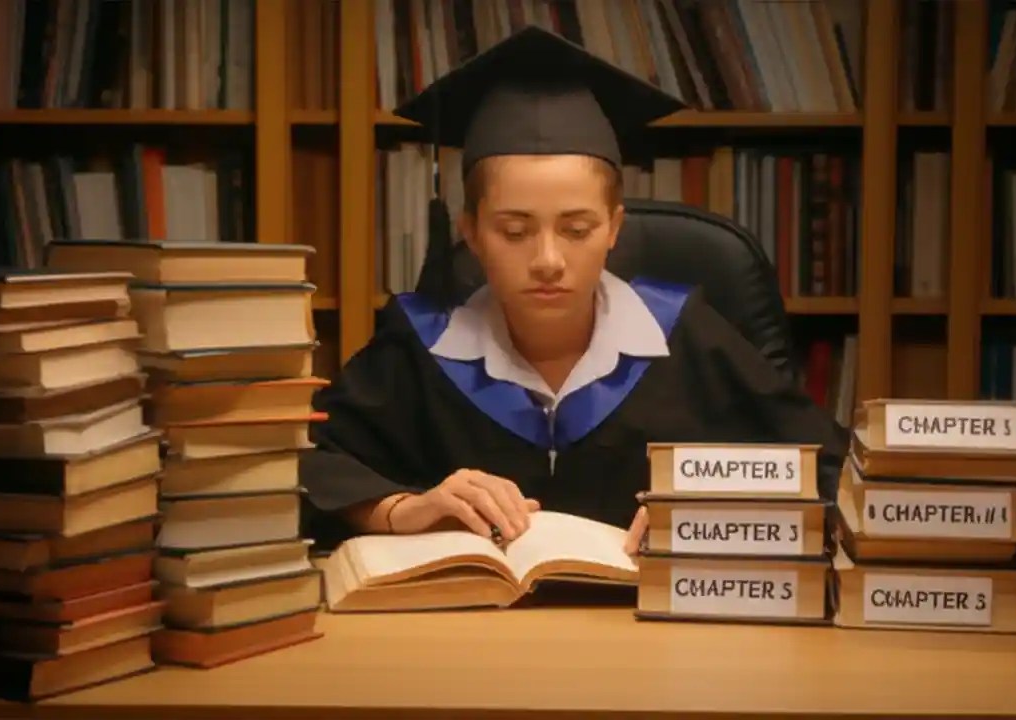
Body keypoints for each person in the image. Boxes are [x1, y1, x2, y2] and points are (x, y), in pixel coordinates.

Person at [300, 26, 848, 554]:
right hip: (472, 633)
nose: (547, 260)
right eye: (514, 231)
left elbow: (831, 469)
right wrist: (399, 510)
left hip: (652, 635)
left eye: (577, 229)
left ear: (614, 228)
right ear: (469, 232)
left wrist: (719, 511)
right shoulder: (422, 344)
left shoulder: (684, 335)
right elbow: (303, 466)